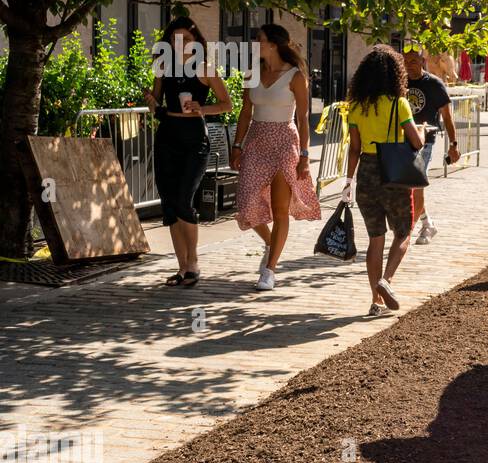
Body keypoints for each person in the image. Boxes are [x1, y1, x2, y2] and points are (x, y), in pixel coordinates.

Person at [231, 22, 321, 291]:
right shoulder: (252, 73)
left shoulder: (295, 75)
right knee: (246, 204)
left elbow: (303, 118)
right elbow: (245, 112)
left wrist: (304, 154)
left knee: (280, 210)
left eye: (258, 39)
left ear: (273, 44)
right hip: (257, 141)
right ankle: (271, 244)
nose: (255, 43)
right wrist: (237, 145)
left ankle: (270, 270)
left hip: (284, 140)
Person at [143, 17, 232, 287]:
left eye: (185, 39)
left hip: (194, 139)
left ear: (195, 42)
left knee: (183, 198)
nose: (178, 44)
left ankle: (193, 263)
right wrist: (151, 102)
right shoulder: (163, 67)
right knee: (170, 202)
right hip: (167, 135)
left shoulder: (205, 68)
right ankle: (181, 268)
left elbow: (226, 104)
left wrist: (200, 108)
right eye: (174, 39)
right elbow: (157, 107)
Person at [341, 46, 425, 316]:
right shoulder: (398, 104)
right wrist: (422, 130)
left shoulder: (355, 106)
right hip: (394, 173)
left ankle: (375, 302)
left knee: (375, 238)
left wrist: (349, 180)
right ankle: (386, 280)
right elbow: (416, 141)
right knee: (403, 231)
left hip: (365, 171)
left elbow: (354, 148)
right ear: (395, 74)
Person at [401, 49, 461, 245]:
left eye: (413, 60)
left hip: (425, 143)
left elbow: (447, 116)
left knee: (416, 187)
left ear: (422, 61)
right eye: (406, 61)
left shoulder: (434, 84)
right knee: (405, 188)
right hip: (401, 141)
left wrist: (453, 145)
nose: (409, 64)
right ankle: (427, 224)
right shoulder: (400, 82)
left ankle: (406, 234)